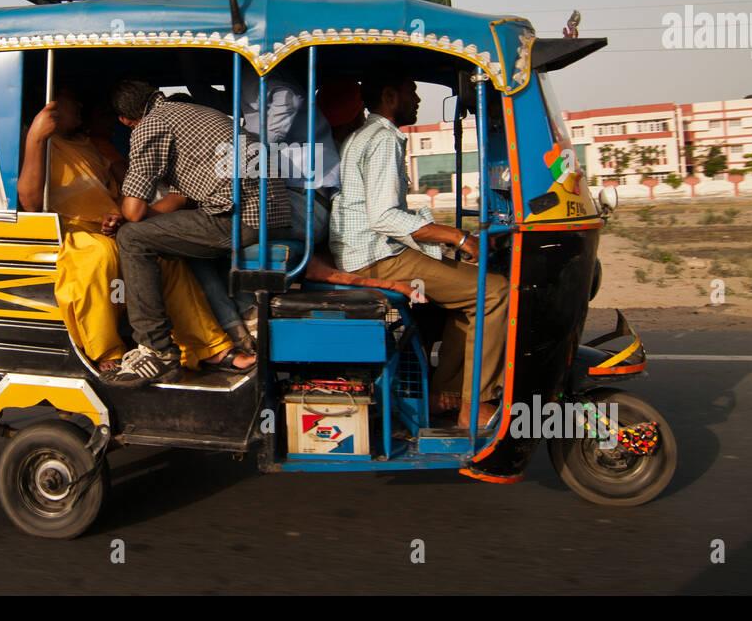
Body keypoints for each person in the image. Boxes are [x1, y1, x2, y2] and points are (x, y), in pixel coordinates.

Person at [15, 86, 253, 378]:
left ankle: (210, 348)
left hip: (114, 225)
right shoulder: (40, 144)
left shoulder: (91, 144)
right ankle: (108, 353)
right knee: (98, 258)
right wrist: (37, 137)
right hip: (76, 231)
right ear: (49, 106)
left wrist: (120, 218)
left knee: (167, 258)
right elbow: (30, 202)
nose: (77, 103)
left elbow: (128, 189)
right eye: (69, 98)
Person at [328, 60, 509, 431]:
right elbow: (384, 218)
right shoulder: (382, 139)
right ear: (391, 97)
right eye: (411, 90)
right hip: (376, 258)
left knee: (467, 299)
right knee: (495, 293)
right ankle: (478, 406)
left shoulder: (365, 136)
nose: (418, 97)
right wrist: (457, 237)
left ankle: (447, 396)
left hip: (372, 252)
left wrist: (439, 244)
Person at [107, 78, 292, 387]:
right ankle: (225, 335)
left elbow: (134, 211)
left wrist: (129, 220)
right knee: (162, 235)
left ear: (124, 120)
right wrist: (149, 223)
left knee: (131, 239)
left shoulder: (149, 126)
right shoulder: (191, 115)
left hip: (239, 217)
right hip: (269, 212)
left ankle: (157, 351)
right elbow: (176, 201)